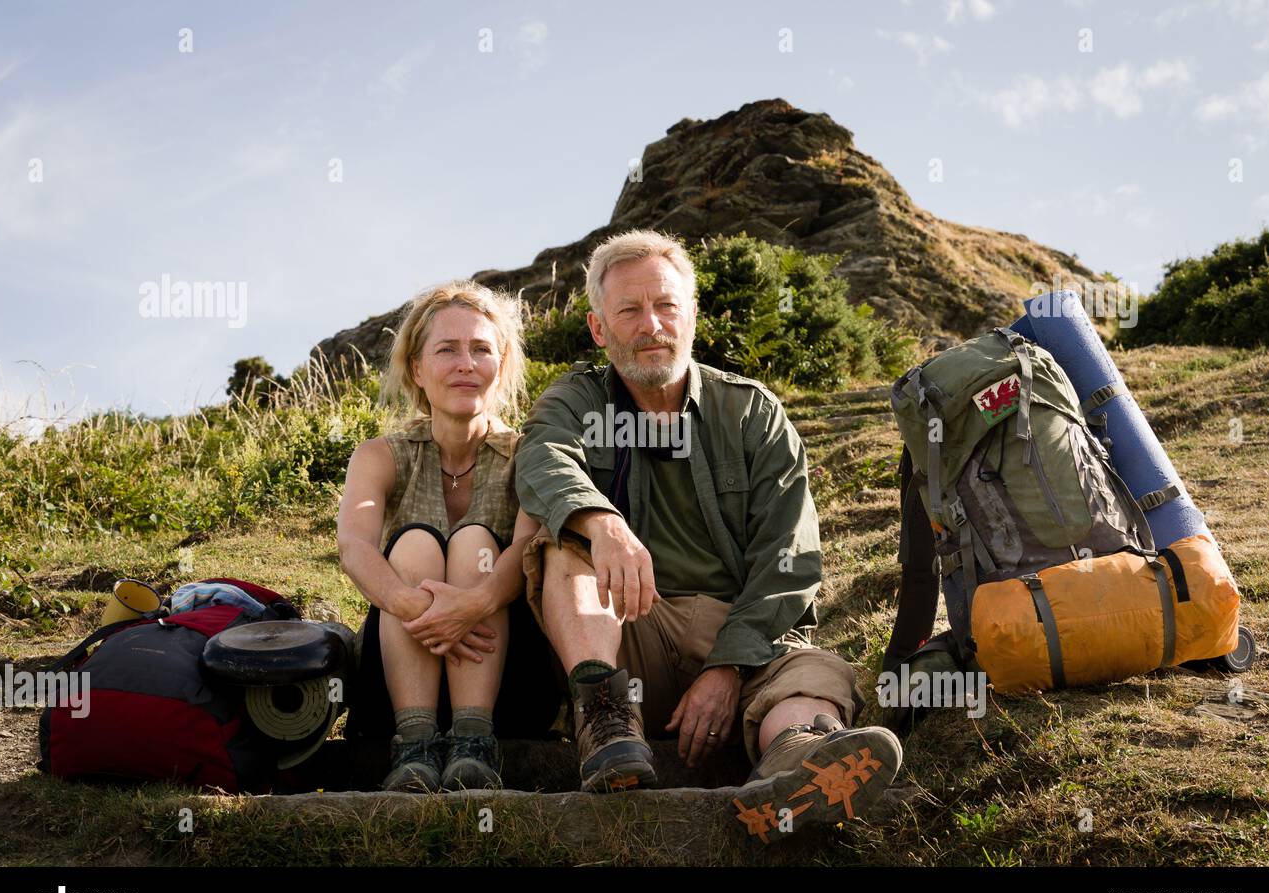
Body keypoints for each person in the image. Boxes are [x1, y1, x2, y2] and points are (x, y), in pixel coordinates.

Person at [514, 229, 904, 842]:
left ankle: (792, 769)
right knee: (562, 549)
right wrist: (602, 522)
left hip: (741, 637)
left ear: (691, 315)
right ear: (598, 329)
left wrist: (725, 668)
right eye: (629, 311)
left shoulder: (751, 413)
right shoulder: (578, 398)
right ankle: (608, 723)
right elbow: (540, 459)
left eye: (667, 306)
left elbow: (788, 560)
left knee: (810, 681)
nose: (652, 326)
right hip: (627, 631)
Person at [337, 280, 555, 792]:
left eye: (481, 349)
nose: (466, 363)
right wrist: (417, 607)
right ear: (417, 368)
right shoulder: (381, 455)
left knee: (476, 544)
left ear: (500, 365)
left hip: (507, 685)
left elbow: (525, 547)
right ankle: (413, 745)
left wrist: (473, 604)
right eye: (447, 349)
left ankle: (474, 743)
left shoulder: (528, 455)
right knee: (414, 544)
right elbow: (355, 546)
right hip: (398, 683)